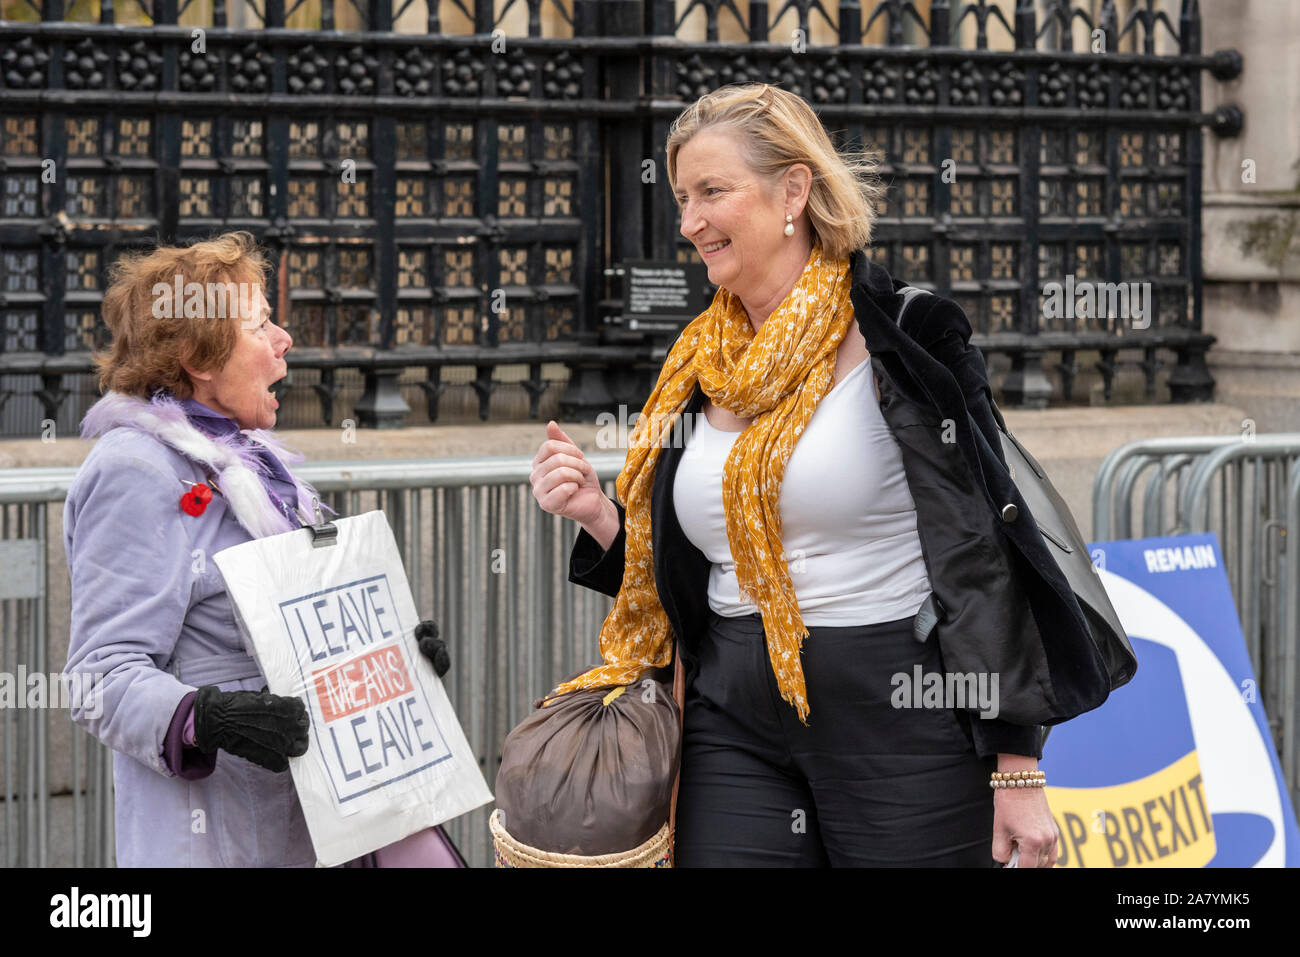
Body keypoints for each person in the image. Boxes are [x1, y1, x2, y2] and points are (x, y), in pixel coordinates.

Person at [530, 84, 1110, 867]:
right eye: (680, 198)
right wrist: (601, 514)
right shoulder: (700, 360)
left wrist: (1018, 757)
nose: (689, 222)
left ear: (793, 190)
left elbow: (983, 549)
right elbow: (691, 560)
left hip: (901, 714)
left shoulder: (908, 335)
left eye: (712, 192)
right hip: (730, 712)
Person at [64, 231, 462, 867]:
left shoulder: (253, 464)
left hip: (322, 829)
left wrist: (393, 663)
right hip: (223, 840)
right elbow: (96, 679)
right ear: (199, 356)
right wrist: (206, 716)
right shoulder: (136, 470)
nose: (284, 340)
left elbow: (299, 642)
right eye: (260, 325)